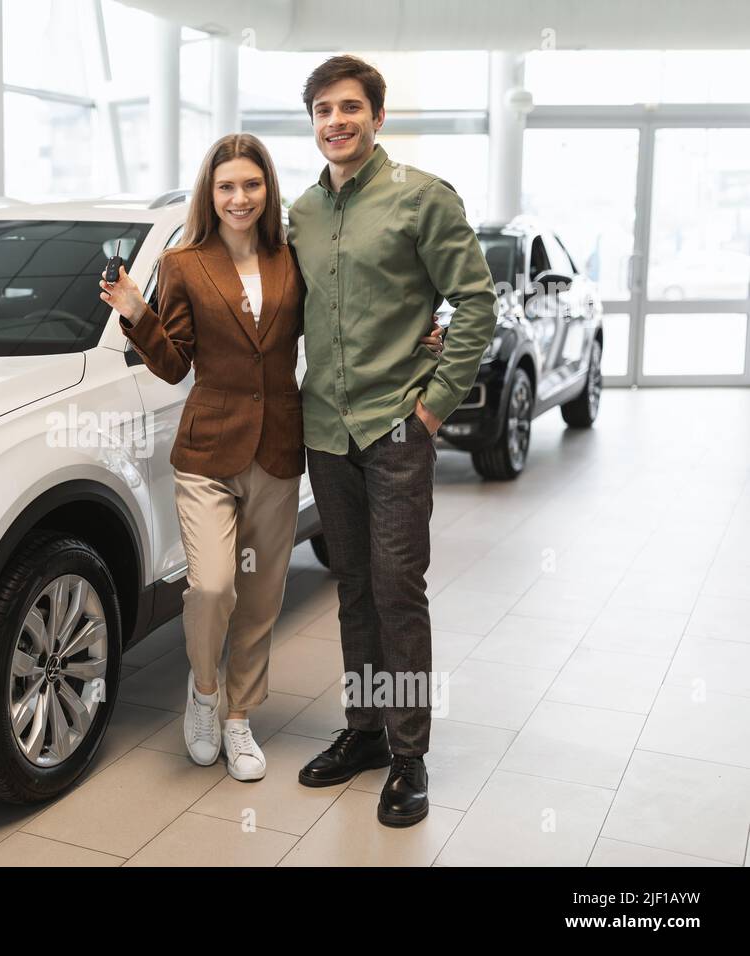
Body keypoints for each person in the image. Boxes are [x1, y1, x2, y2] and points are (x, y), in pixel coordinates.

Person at [100, 133, 443, 781]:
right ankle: (204, 693)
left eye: (251, 185)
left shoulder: (292, 258)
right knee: (210, 586)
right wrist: (138, 314)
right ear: (211, 192)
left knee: (260, 595)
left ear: (267, 191)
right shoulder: (182, 264)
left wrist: (424, 336)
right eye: (227, 186)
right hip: (207, 450)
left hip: (281, 446)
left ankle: (238, 716)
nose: (239, 198)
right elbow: (174, 365)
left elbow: (352, 317)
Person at [287, 55, 497, 826]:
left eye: (348, 107)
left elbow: (475, 305)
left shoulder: (422, 198)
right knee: (352, 590)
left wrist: (434, 408)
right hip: (326, 428)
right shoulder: (302, 214)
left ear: (377, 116)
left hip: (396, 428)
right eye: (321, 110)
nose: (334, 121)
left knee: (397, 592)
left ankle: (409, 756)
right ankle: (365, 729)